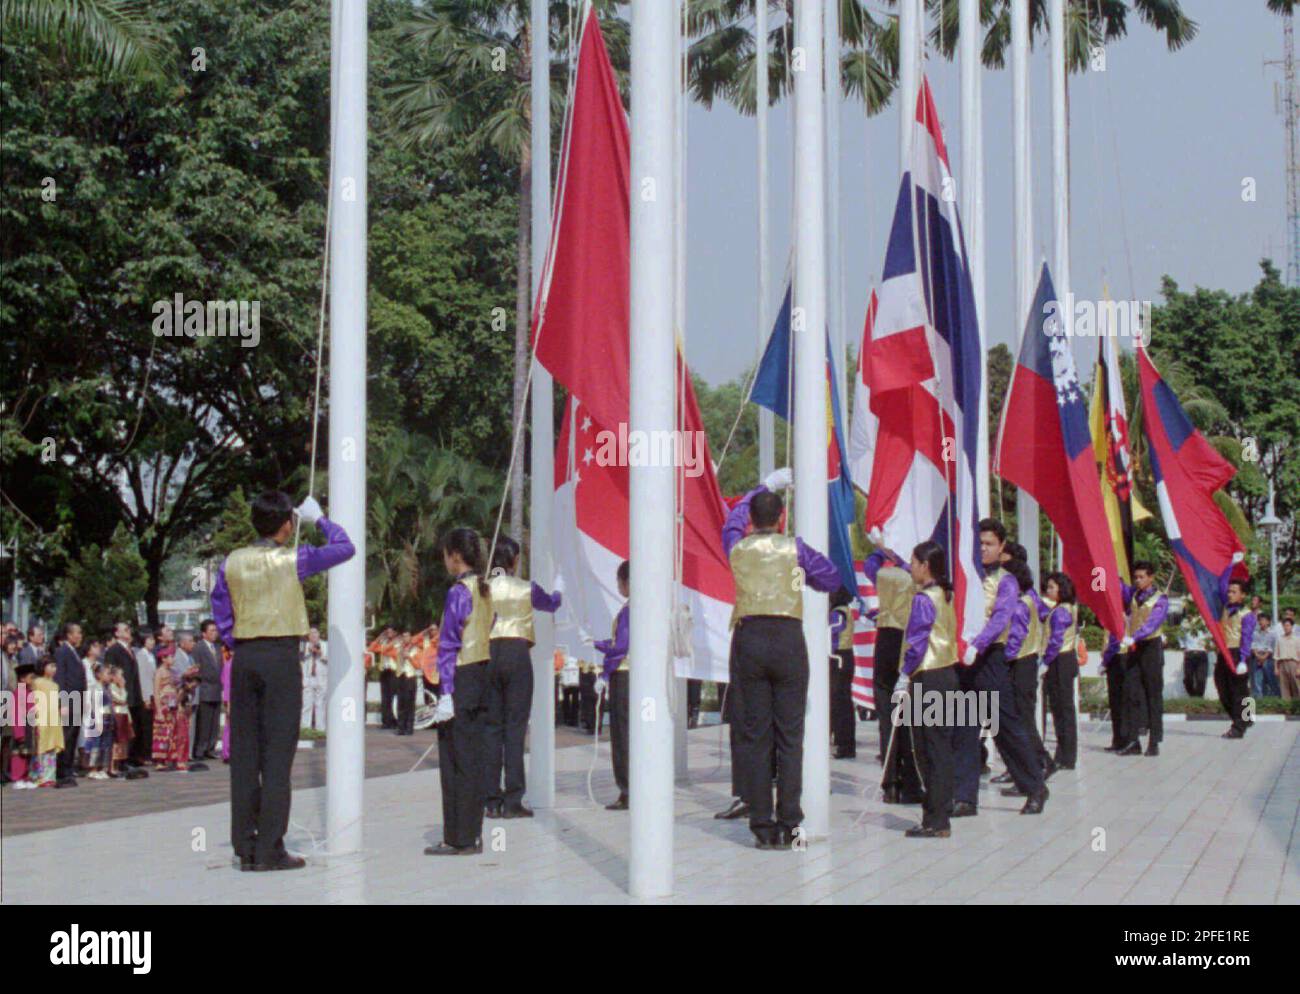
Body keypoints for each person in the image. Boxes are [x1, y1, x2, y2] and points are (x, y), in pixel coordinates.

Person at [211, 490, 355, 872]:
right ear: (287, 524)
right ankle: (270, 848)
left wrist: (234, 640)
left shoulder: (231, 561)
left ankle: (245, 845)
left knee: (244, 755)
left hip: (244, 657)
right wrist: (320, 519)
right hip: (279, 658)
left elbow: (220, 607)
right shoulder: (295, 557)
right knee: (277, 757)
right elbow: (345, 548)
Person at [722, 468, 842, 850]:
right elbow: (831, 578)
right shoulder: (796, 549)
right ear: (780, 519)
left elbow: (731, 522)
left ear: (752, 520)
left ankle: (761, 823)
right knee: (791, 735)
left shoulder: (737, 548)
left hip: (750, 638)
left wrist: (763, 485)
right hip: (788, 638)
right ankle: (791, 820)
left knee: (756, 734)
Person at [953, 519, 1048, 817]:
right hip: (964, 658)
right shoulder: (965, 577)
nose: (983, 548)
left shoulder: (1007, 580)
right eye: (979, 543)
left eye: (989, 543)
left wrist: (977, 646)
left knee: (1005, 727)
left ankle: (1035, 786)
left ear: (1001, 547)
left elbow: (1000, 618)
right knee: (964, 729)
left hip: (989, 657)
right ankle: (965, 797)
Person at [424, 528, 493, 856]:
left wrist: (446, 692)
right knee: (473, 758)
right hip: (481, 675)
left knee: (454, 760)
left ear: (455, 556)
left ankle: (457, 837)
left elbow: (449, 644)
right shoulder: (484, 589)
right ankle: (473, 832)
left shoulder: (458, 592)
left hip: (460, 678)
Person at [484, 536, 561, 819]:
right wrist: (561, 593)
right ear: (515, 560)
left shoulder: (484, 587)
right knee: (515, 728)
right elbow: (550, 604)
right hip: (517, 654)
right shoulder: (527, 588)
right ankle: (513, 798)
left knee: (492, 728)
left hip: (489, 652)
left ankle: (491, 800)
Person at [897, 541, 961, 838]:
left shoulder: (924, 599)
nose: (911, 567)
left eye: (913, 562)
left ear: (925, 565)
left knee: (928, 749)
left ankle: (935, 818)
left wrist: (905, 672)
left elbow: (917, 641)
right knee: (941, 748)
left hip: (929, 676)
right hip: (947, 673)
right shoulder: (945, 595)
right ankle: (940, 812)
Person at [999, 557, 1054, 783]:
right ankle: (1036, 762)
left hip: (1020, 663)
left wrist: (1002, 658)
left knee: (1022, 720)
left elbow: (1015, 639)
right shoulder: (1030, 599)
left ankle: (1037, 762)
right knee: (1023, 718)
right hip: (1028, 662)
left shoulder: (1021, 604)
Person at [591, 561, 631, 812]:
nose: (618, 586)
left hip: (624, 675)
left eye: (619, 581)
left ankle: (627, 789)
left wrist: (604, 670)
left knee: (622, 734)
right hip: (635, 677)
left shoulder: (629, 610)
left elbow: (620, 647)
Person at [1039, 572, 1080, 771]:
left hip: (1060, 661)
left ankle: (1066, 755)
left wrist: (1045, 661)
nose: (1048, 591)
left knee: (1063, 710)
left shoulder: (1062, 611)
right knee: (1062, 710)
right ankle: (1064, 753)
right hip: (1063, 660)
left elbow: (1056, 640)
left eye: (1052, 587)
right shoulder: (1065, 608)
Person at [1217, 577, 1255, 739]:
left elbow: (1246, 638)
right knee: (1222, 688)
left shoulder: (1247, 614)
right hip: (1224, 652)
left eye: (1234, 592)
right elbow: (1220, 586)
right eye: (1229, 591)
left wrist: (1243, 659)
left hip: (1239, 652)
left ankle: (1239, 726)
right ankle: (1247, 717)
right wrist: (1230, 565)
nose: (1230, 594)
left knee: (1239, 690)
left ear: (1243, 595)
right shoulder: (1225, 607)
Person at [52, 622, 86, 788]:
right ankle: (62, 771)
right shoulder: (62, 651)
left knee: (73, 736)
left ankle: (68, 768)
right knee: (66, 736)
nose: (80, 636)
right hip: (69, 699)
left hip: (78, 699)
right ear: (69, 635)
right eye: (77, 633)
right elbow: (61, 677)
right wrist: (62, 701)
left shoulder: (74, 652)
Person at [24, 659, 63, 788]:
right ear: (43, 667)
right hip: (42, 718)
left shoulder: (54, 684)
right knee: (41, 747)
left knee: (51, 748)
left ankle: (49, 776)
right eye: (51, 666)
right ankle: (38, 776)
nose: (54, 669)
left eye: (55, 666)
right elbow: (33, 701)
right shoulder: (37, 682)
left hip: (53, 719)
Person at [828, 587, 856, 760]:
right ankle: (844, 742)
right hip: (845, 656)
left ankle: (843, 743)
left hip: (839, 658)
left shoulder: (838, 612)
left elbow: (833, 630)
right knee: (842, 702)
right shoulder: (845, 610)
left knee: (839, 702)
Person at [151, 649, 190, 772]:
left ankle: (172, 758)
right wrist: (158, 710)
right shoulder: (159, 672)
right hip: (163, 705)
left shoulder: (172, 672)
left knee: (173, 733)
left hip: (173, 704)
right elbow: (156, 692)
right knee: (162, 733)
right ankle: (159, 760)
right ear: (163, 659)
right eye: (170, 657)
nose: (172, 659)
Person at [190, 620, 224, 760]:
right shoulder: (199, 648)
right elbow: (196, 667)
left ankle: (210, 747)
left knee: (214, 722)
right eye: (211, 631)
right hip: (205, 688)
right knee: (204, 721)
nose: (214, 633)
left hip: (216, 688)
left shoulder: (217, 647)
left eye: (216, 630)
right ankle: (200, 749)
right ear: (204, 633)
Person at [82, 663, 114, 780]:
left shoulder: (107, 687)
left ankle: (102, 767)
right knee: (95, 743)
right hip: (97, 718)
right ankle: (92, 768)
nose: (109, 676)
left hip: (107, 718)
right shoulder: (95, 687)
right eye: (107, 673)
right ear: (98, 675)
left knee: (105, 744)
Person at [300, 628, 328, 732]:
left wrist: (319, 652)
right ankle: (305, 728)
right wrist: (309, 650)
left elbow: (329, 658)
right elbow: (301, 658)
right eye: (311, 634)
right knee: (307, 704)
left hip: (321, 678)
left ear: (319, 634)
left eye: (315, 633)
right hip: (309, 678)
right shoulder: (305, 645)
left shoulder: (325, 645)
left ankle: (320, 728)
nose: (313, 636)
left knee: (320, 704)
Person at [134, 631, 157, 760]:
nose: (152, 642)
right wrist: (146, 697)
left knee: (150, 725)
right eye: (149, 639)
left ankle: (149, 752)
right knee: (145, 726)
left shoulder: (151, 655)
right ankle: (144, 754)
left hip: (153, 693)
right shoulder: (141, 655)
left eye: (153, 639)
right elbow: (143, 678)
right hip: (146, 694)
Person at [109, 666, 133, 777]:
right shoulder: (111, 687)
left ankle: (121, 763)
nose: (122, 678)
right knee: (116, 741)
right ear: (113, 676)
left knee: (124, 741)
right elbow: (121, 699)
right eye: (120, 675)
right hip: (117, 714)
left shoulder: (118, 687)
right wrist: (123, 688)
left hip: (123, 714)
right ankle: (112, 766)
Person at [1179, 615, 1209, 698]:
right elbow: (1180, 635)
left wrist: (1208, 645)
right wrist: (1183, 646)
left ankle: (1199, 697)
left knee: (1201, 678)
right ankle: (1192, 695)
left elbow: (1210, 633)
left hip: (1201, 652)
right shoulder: (1185, 622)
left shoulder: (1204, 620)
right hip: (1190, 653)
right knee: (1188, 677)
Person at [1275, 615, 1299, 700]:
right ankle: (1286, 707)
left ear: (1292, 627)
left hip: (1293, 663)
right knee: (1284, 687)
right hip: (1282, 663)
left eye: (1288, 625)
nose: (1286, 627)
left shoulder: (1297, 639)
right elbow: (1276, 655)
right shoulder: (1280, 639)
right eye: (1284, 626)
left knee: (1295, 686)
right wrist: (1276, 668)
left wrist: (1298, 668)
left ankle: (1296, 706)